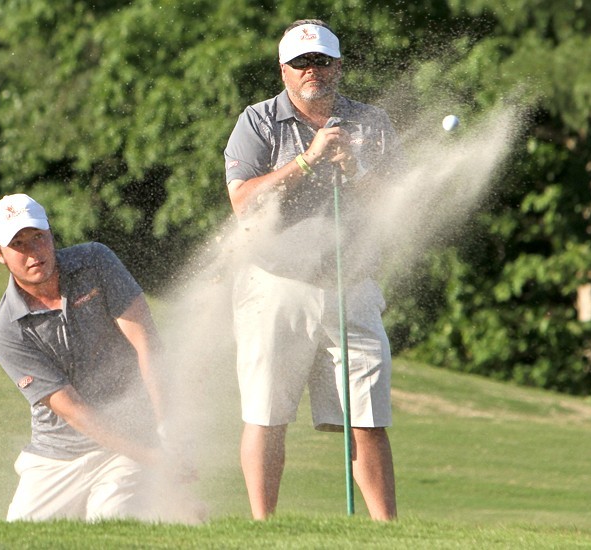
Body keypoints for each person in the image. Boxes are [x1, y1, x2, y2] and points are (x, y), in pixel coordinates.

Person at [223, 19, 400, 520]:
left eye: (321, 61)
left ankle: (386, 530)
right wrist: (308, 160)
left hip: (353, 285)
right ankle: (263, 526)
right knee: (266, 414)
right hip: (275, 285)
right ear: (283, 70)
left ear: (338, 65)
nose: (312, 71)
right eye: (301, 63)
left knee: (367, 417)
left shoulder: (372, 122)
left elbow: (399, 204)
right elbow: (242, 203)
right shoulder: (257, 122)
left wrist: (356, 171)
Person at [0, 193, 199, 523]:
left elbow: (146, 344)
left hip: (133, 437)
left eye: (38, 238)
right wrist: (157, 459)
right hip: (57, 455)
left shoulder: (95, 262)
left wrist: (165, 430)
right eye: (18, 244)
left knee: (112, 518)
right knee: (19, 537)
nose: (34, 253)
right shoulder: (6, 331)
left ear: (51, 235)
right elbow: (75, 412)